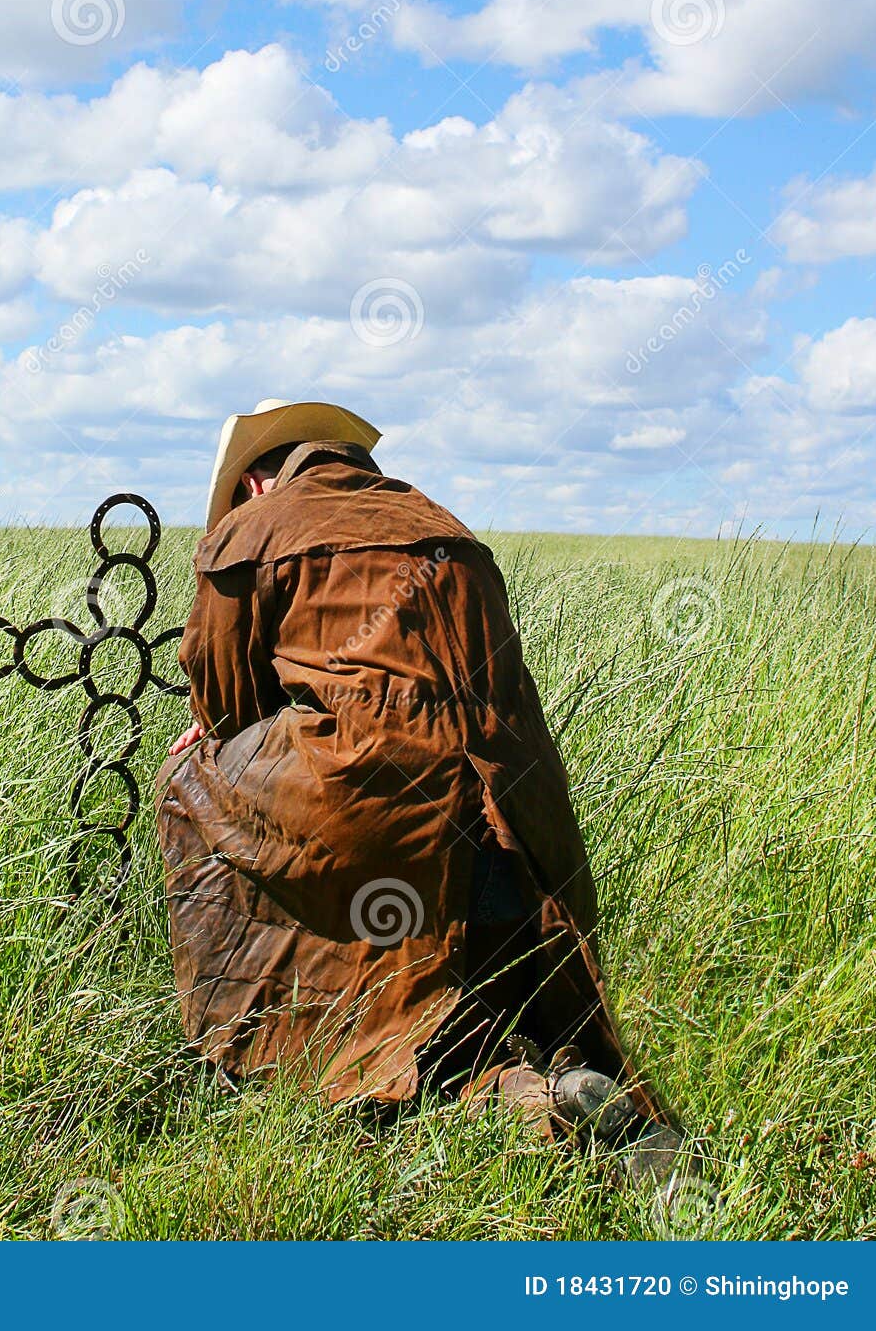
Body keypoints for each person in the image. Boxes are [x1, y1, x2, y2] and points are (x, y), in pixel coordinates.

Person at [156, 398, 689, 1183]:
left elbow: (225, 702)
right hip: (515, 801)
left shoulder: (252, 531)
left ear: (259, 481)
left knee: (187, 788)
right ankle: (553, 1082)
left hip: (365, 790)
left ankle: (274, 1043)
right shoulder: (448, 526)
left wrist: (217, 740)